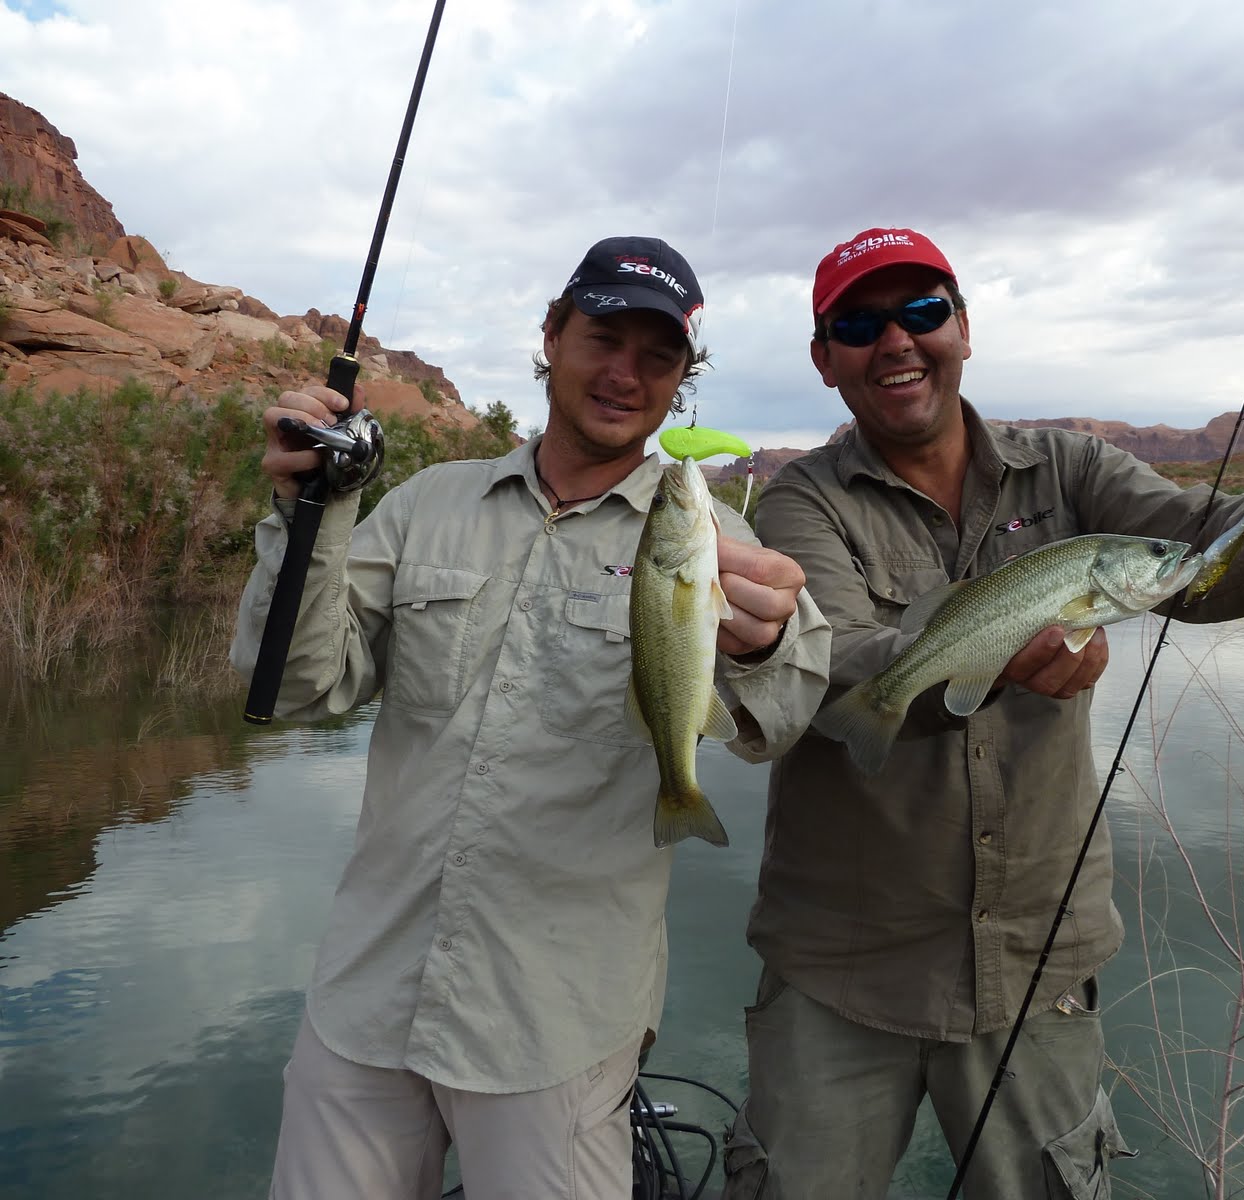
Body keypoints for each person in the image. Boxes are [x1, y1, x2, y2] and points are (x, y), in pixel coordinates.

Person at [721, 227, 1244, 1199]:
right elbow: (831, 665)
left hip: (1036, 963)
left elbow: (1192, 568)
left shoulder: (1071, 471)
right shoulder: (800, 503)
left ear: (964, 328)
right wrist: (986, 665)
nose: (896, 341)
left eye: (921, 312)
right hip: (840, 970)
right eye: (859, 324)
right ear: (824, 361)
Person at [231, 235, 830, 1200]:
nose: (625, 374)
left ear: (683, 382)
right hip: (366, 1002)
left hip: (555, 1025)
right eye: (602, 337)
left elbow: (786, 713)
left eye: (660, 357)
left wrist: (759, 650)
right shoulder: (428, 505)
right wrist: (312, 512)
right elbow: (302, 686)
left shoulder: (715, 540)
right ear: (551, 336)